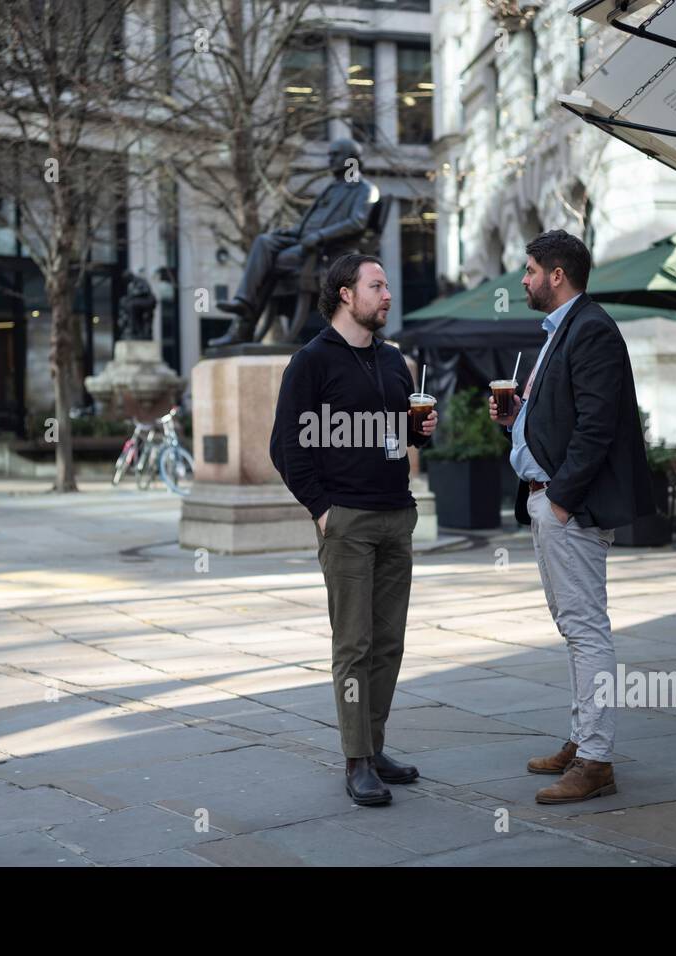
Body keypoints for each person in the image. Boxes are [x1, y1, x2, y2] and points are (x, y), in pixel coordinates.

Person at [489, 230, 654, 804]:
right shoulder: (564, 330)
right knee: (573, 628)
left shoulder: (591, 330)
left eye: (531, 269)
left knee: (586, 630)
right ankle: (582, 737)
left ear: (557, 274)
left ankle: (596, 759)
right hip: (549, 499)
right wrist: (515, 420)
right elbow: (563, 419)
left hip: (570, 507)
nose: (525, 280)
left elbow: (596, 427)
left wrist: (560, 498)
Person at [269, 253, 437, 806]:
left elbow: (403, 437)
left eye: (388, 285)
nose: (387, 295)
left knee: (389, 643)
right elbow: (287, 447)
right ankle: (356, 759)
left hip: (396, 515)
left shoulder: (394, 362)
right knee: (354, 644)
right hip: (347, 522)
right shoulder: (311, 362)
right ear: (346, 293)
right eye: (377, 286)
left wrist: (422, 430)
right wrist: (322, 510)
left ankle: (377, 744)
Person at [212, 138, 379, 347]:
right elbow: (308, 224)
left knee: (270, 264)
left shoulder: (364, 189)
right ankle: (243, 302)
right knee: (263, 242)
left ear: (351, 159)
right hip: (302, 242)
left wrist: (320, 236)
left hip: (326, 252)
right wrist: (289, 232)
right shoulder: (332, 188)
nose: (330, 159)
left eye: (335, 154)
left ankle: (242, 328)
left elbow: (357, 222)